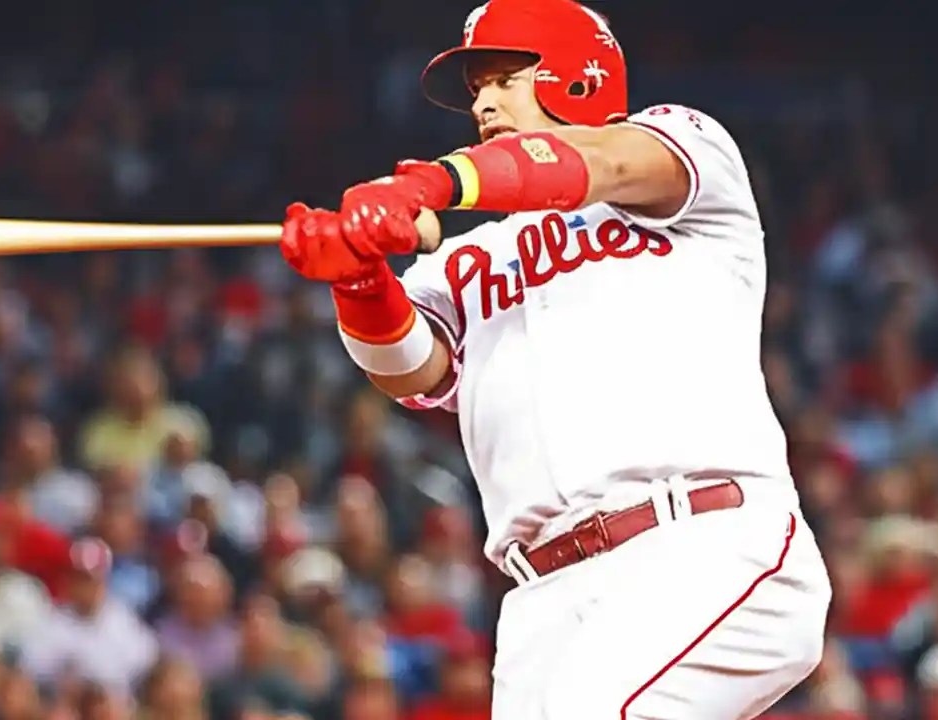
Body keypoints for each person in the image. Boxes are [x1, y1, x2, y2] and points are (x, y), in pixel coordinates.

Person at [276, 0, 833, 717]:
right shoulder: (468, 258)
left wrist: (431, 184)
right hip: (541, 596)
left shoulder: (683, 151)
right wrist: (358, 279)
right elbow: (412, 371)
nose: (483, 103)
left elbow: (600, 161)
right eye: (477, 89)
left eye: (504, 78)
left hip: (700, 540)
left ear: (577, 75)